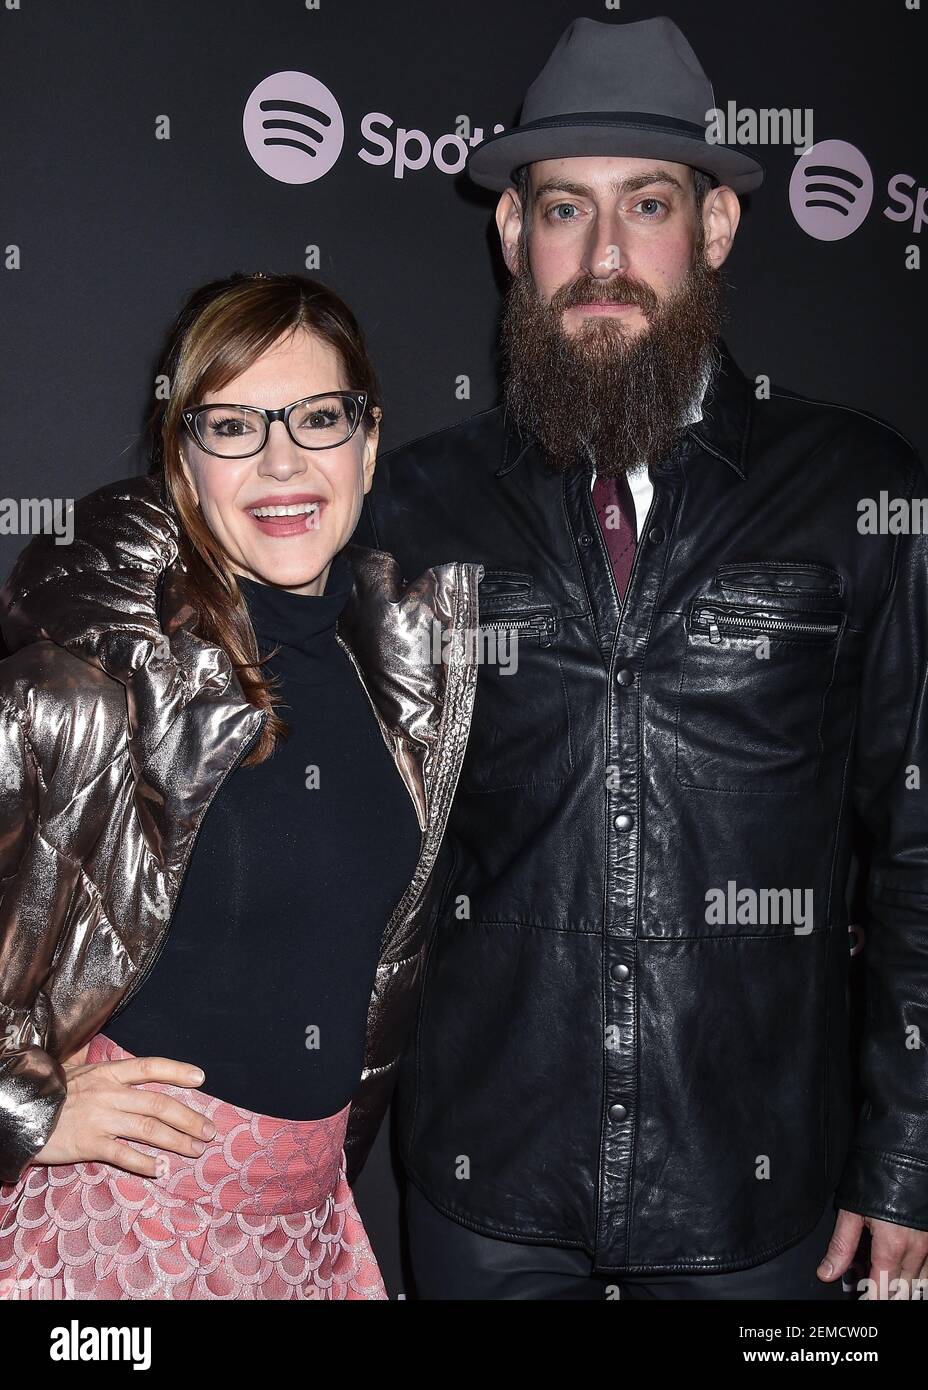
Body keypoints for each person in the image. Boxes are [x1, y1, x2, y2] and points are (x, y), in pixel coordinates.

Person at [353, 16, 928, 1299]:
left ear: (714, 228)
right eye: (564, 209)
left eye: (648, 206)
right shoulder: (409, 507)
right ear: (512, 234)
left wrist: (907, 1152)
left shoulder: (859, 491)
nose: (602, 258)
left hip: (757, 1192)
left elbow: (916, 846)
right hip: (482, 1187)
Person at [0, 271, 480, 1300]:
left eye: (318, 418)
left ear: (368, 437)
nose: (281, 461)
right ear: (184, 456)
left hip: (305, 1231)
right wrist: (24, 1110)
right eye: (231, 425)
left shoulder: (402, 672)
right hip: (123, 1232)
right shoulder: (94, 683)